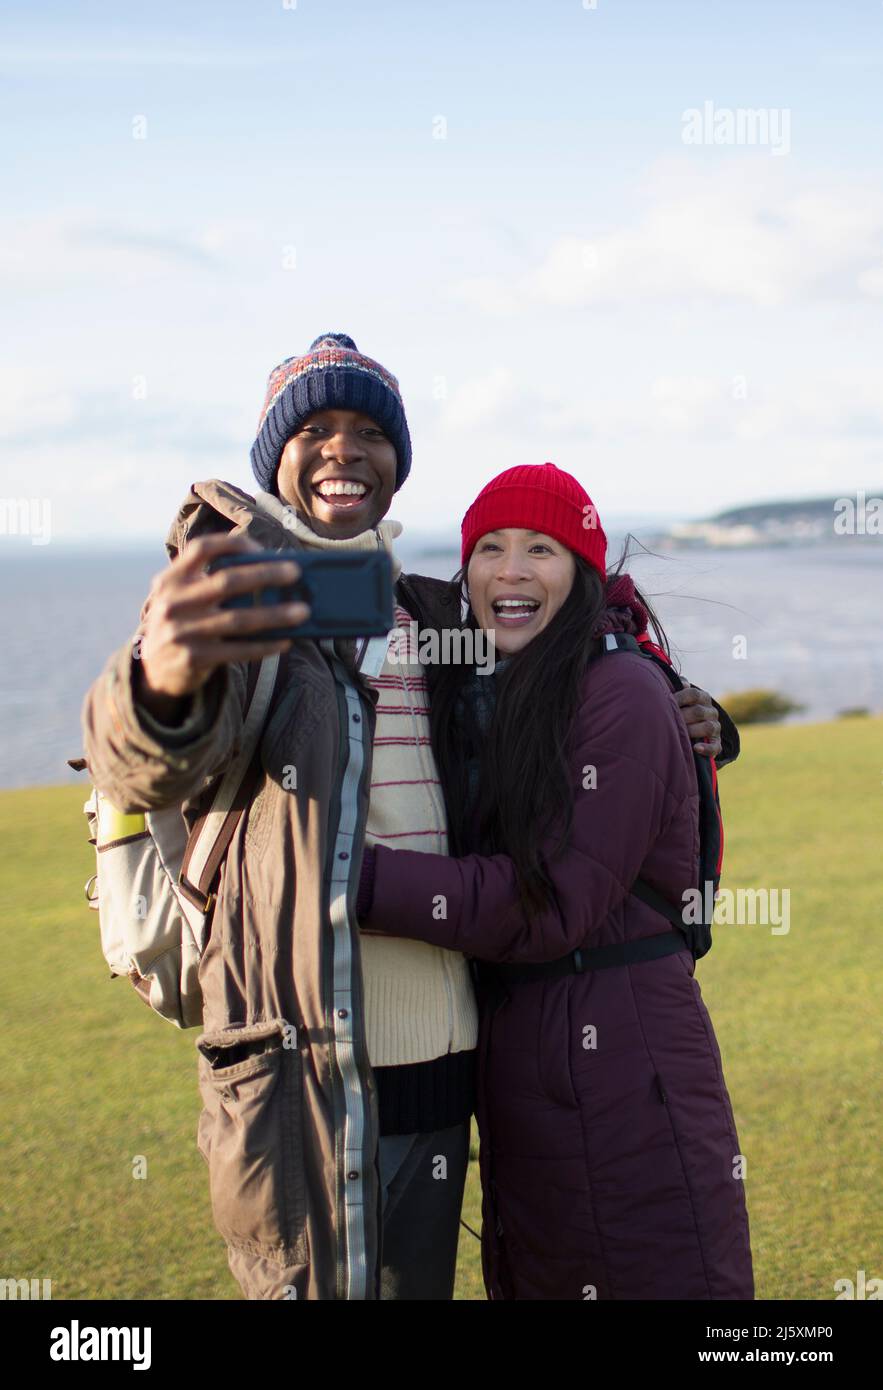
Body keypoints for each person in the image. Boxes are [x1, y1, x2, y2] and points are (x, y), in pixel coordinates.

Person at [81, 335, 738, 1300]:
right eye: (313, 430)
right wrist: (161, 684)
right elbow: (136, 750)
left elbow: (571, 652)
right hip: (300, 1069)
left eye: (366, 430)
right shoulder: (234, 601)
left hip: (450, 1072)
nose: (342, 449)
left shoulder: (431, 615)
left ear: (397, 464)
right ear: (276, 462)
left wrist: (697, 718)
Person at [355, 462, 755, 1300]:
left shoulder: (618, 691)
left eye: (542, 547)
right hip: (532, 1063)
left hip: (621, 1065)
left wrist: (347, 880)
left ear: (581, 571)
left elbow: (547, 905)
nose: (510, 569)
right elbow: (379, 601)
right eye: (489, 548)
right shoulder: (494, 682)